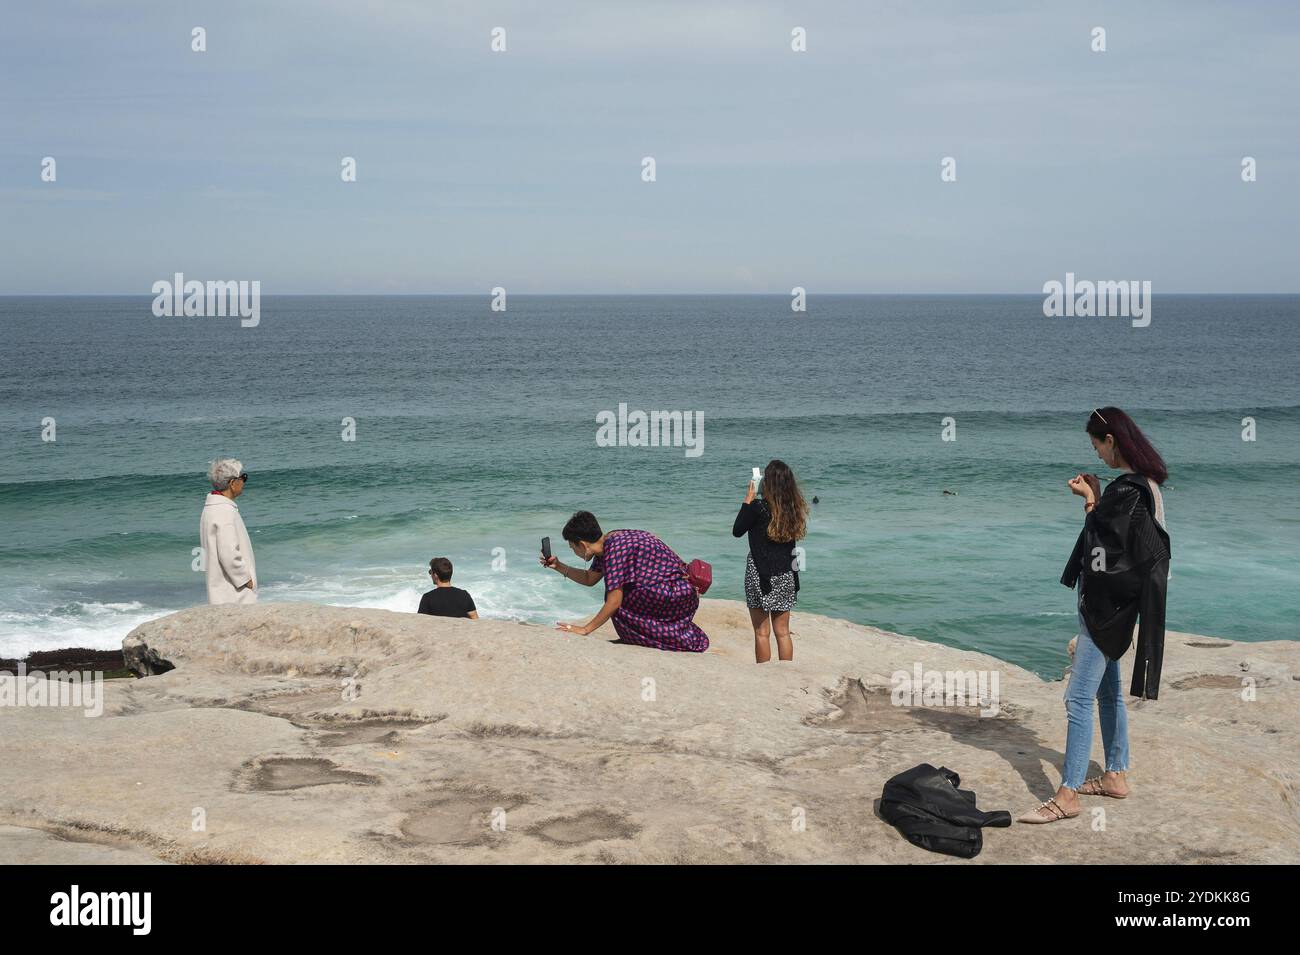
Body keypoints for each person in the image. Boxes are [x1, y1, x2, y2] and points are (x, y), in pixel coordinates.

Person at [1020, 407, 1170, 824]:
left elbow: (1102, 550)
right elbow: (1124, 544)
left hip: (1105, 610)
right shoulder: (1146, 487)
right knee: (1107, 693)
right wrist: (1098, 501)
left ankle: (1067, 795)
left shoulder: (1128, 492)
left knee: (1078, 698)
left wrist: (1089, 504)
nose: (1098, 455)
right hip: (1126, 607)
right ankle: (1116, 774)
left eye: (1097, 446)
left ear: (1111, 441)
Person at [542, 511, 708, 652]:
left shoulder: (614, 550)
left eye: (572, 547)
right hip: (681, 590)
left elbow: (614, 602)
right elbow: (589, 578)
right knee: (619, 592)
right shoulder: (608, 542)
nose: (573, 551)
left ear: (583, 545)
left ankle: (652, 639)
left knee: (616, 599)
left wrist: (585, 630)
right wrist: (558, 566)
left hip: (678, 594)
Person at [733, 459, 809, 662]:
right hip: (785, 575)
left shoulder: (758, 508)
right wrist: (795, 580)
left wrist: (748, 498)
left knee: (761, 632)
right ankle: (786, 674)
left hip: (759, 575)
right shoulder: (791, 511)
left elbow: (737, 530)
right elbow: (792, 548)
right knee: (783, 632)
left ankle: (765, 675)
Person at [200, 458, 258, 605]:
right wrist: (245, 580)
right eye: (243, 477)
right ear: (232, 483)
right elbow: (229, 553)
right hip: (234, 595)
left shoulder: (211, 508)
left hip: (220, 591)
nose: (244, 482)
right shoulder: (224, 511)